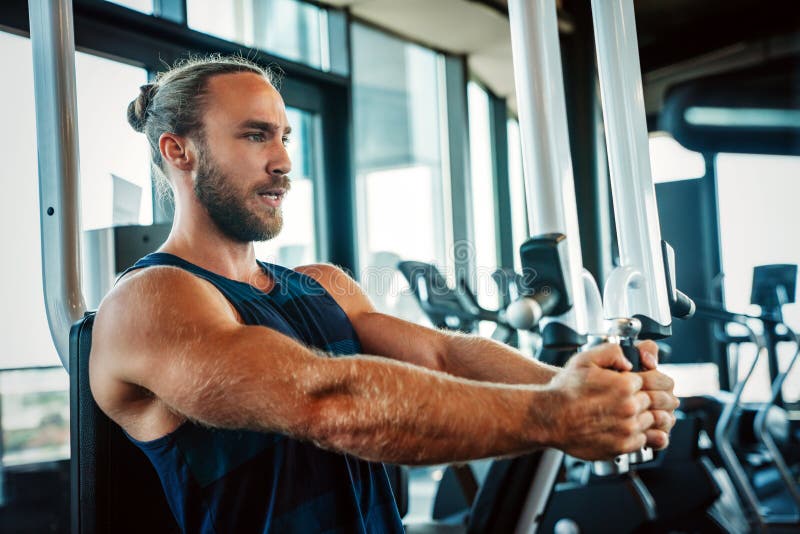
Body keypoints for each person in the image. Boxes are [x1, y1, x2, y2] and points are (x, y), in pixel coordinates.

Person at [90, 55, 679, 533]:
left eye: (286, 137)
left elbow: (444, 357)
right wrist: (559, 415)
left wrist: (589, 389)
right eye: (255, 136)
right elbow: (327, 405)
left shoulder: (322, 284)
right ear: (178, 150)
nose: (285, 161)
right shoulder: (152, 300)